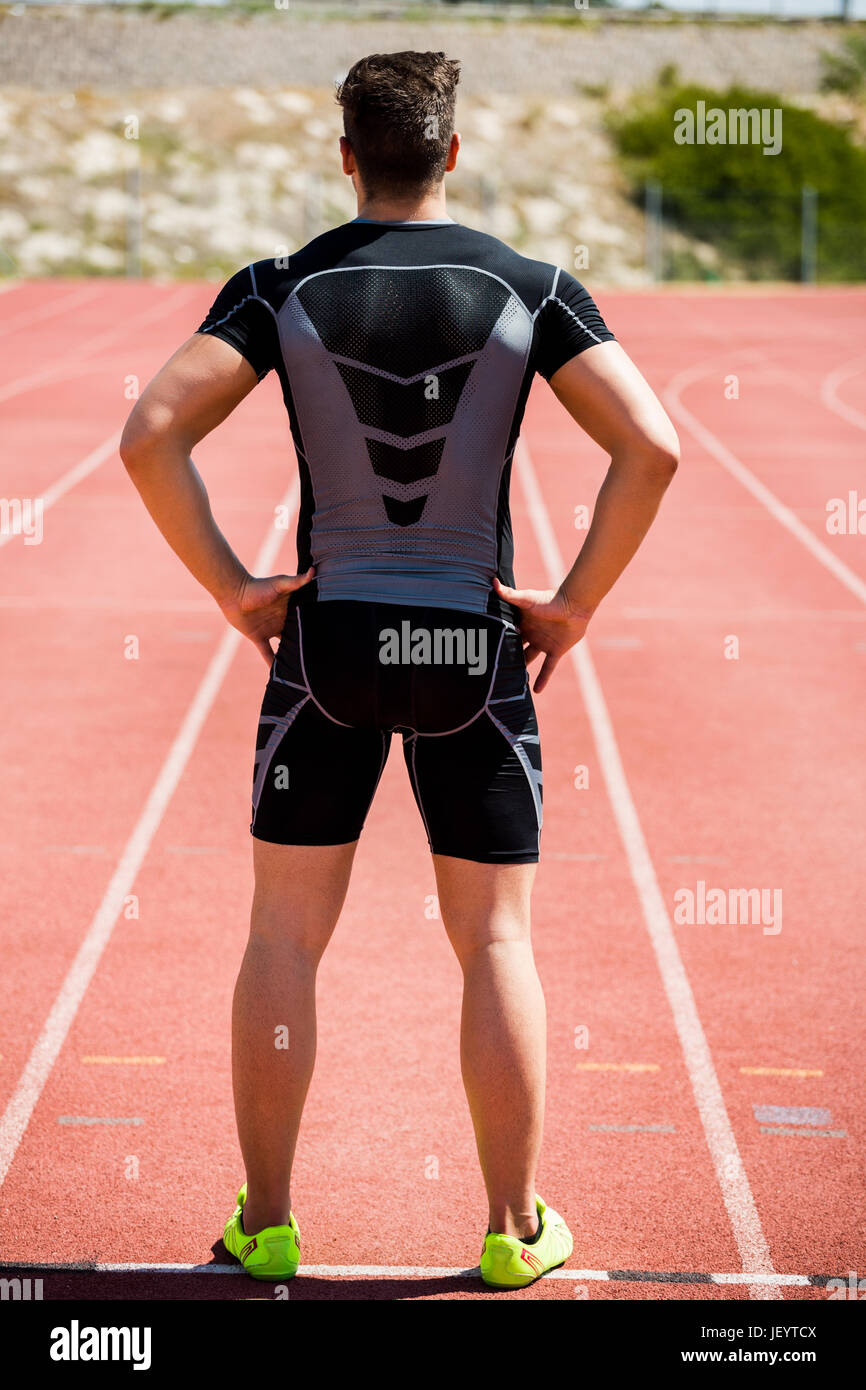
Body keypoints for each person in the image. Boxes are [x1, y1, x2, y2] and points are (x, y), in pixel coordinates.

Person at [119, 49, 679, 1290]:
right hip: (474, 656)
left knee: (281, 937)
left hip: (324, 648)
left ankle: (266, 1223)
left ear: (345, 156)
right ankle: (509, 1227)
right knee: (492, 944)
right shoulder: (531, 285)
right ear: (452, 154)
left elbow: (149, 432)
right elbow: (652, 446)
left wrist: (229, 584)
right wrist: (574, 607)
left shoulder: (281, 284)